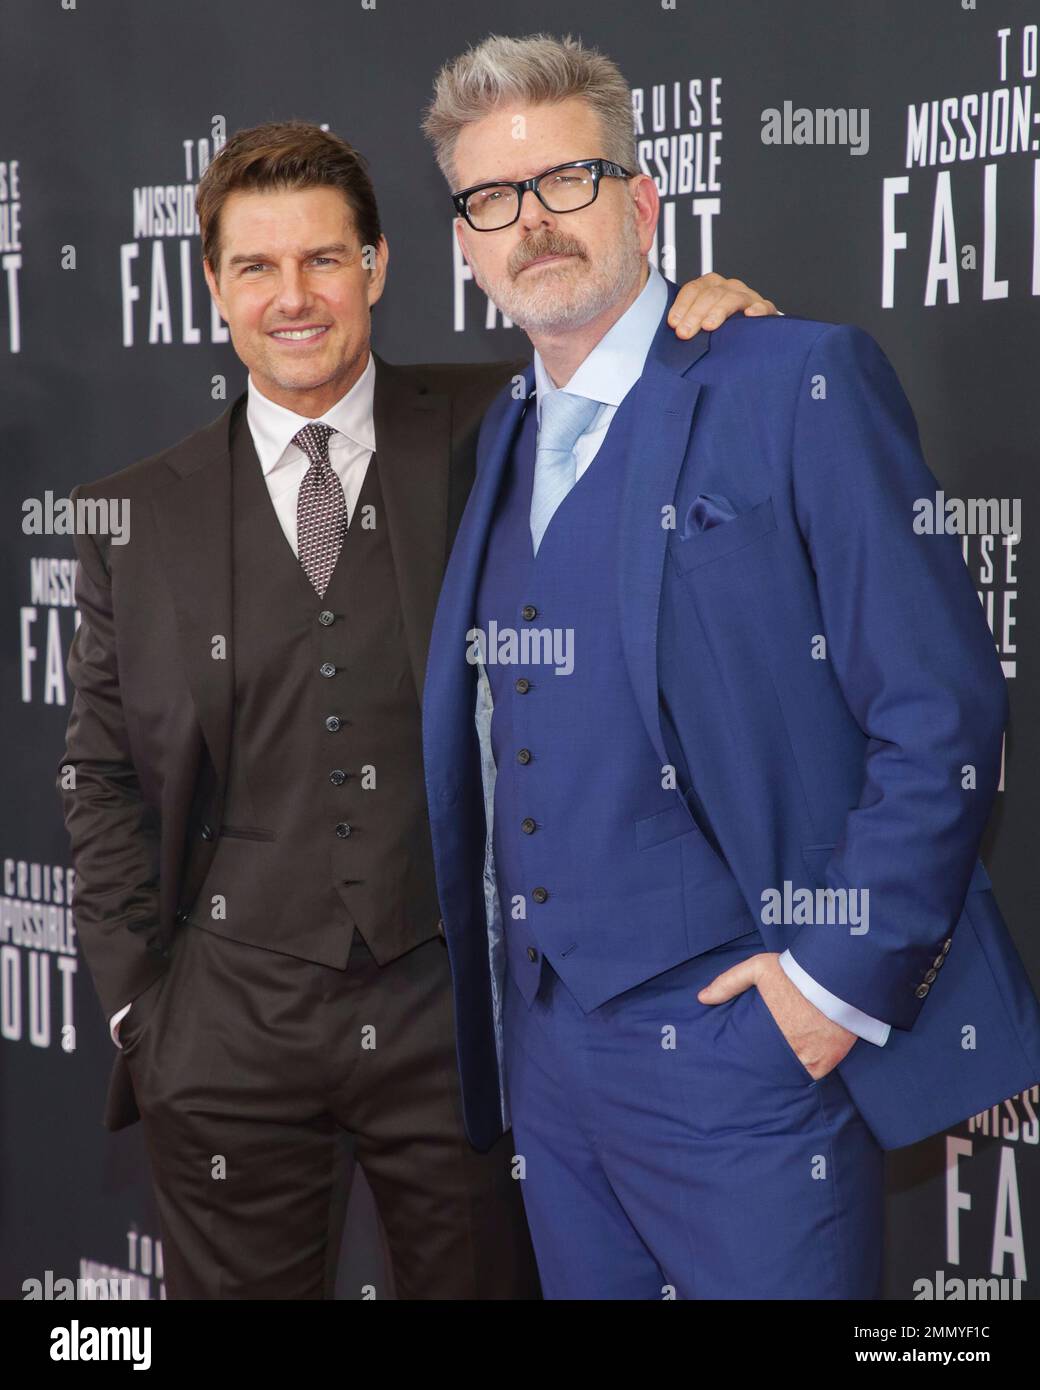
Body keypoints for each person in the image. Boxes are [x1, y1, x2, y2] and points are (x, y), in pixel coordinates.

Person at [55, 115, 778, 1299]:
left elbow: (639, 386)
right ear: (212, 288)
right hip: (228, 1026)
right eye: (257, 266)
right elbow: (102, 779)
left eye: (324, 259)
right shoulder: (130, 516)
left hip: (457, 1015)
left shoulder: (501, 427)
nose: (295, 296)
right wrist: (147, 1016)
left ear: (378, 267)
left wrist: (715, 321)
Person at [420, 31, 1040, 1299]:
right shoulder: (493, 437)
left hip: (742, 1054)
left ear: (643, 201)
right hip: (548, 1064)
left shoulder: (791, 380)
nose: (529, 221)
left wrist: (830, 985)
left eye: (566, 182)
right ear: (467, 243)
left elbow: (943, 712)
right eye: (491, 198)